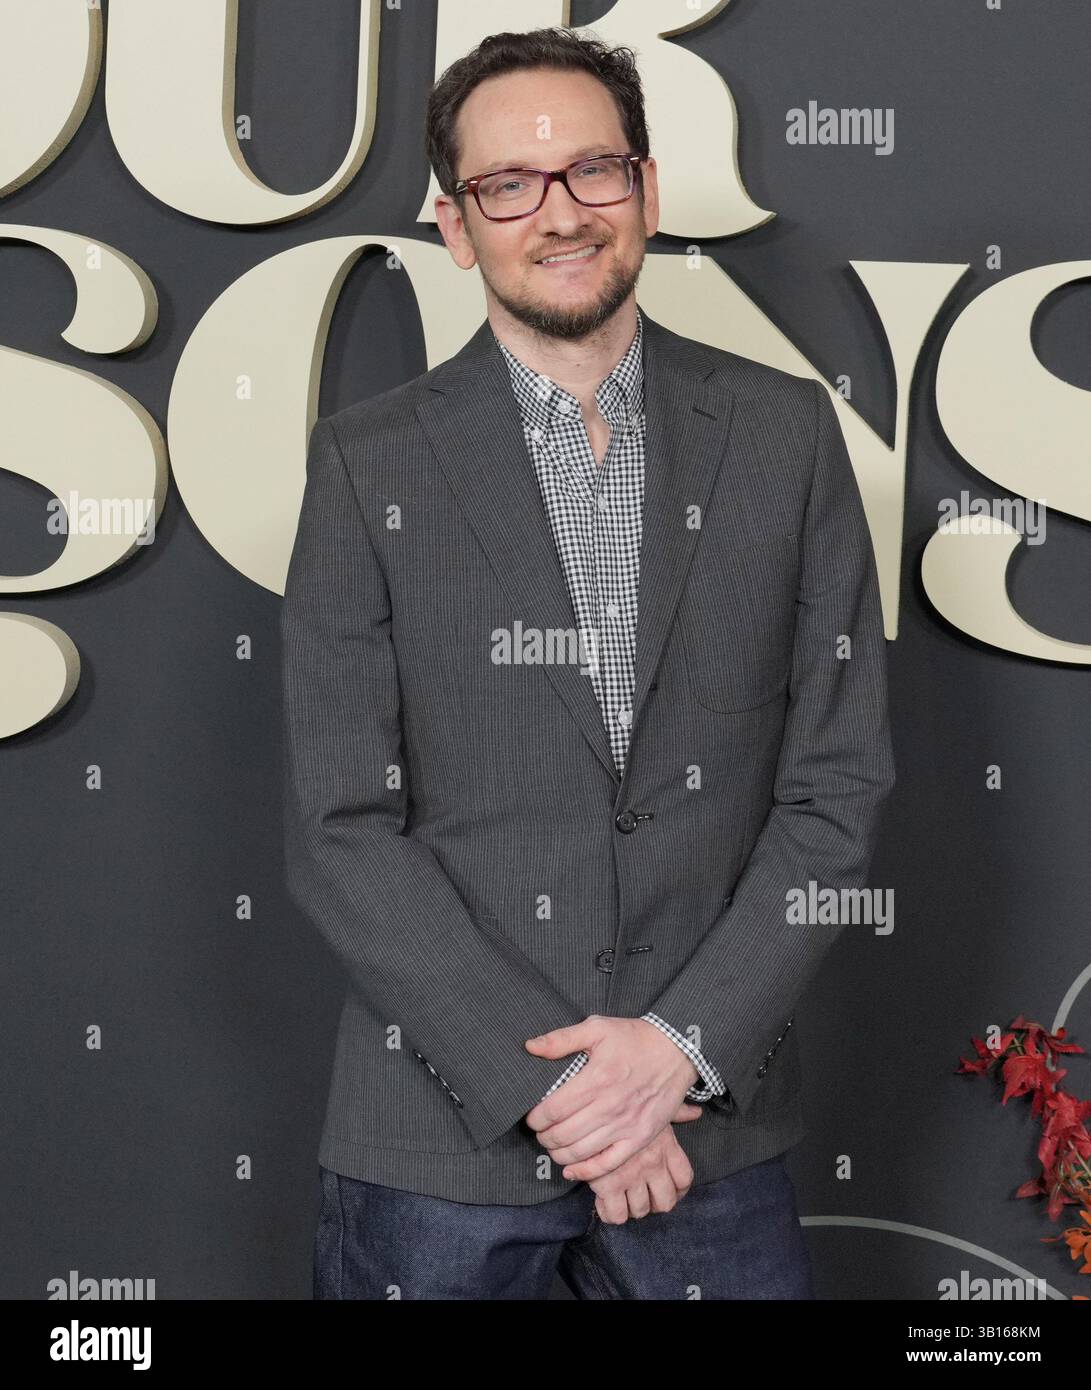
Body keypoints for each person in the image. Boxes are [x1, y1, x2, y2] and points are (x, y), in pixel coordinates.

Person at [280, 25, 895, 1300]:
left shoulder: (786, 438)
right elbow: (342, 829)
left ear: (648, 193)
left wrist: (674, 1051)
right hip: (437, 1148)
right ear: (455, 225)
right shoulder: (365, 464)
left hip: (704, 1143)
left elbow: (833, 792)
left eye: (592, 173)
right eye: (509, 185)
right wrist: (555, 1087)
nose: (557, 214)